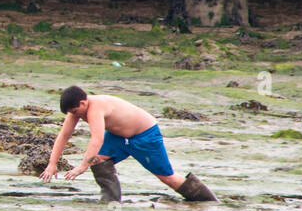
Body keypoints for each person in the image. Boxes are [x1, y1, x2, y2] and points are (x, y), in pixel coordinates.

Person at [40, 85, 217, 202]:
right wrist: (52, 164)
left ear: (83, 102)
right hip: (119, 138)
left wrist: (82, 167)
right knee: (98, 160)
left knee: (167, 177)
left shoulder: (95, 107)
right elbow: (63, 136)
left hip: (145, 135)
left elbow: (97, 138)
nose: (76, 115)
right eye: (72, 113)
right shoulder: (76, 112)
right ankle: (111, 202)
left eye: (76, 111)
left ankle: (207, 201)